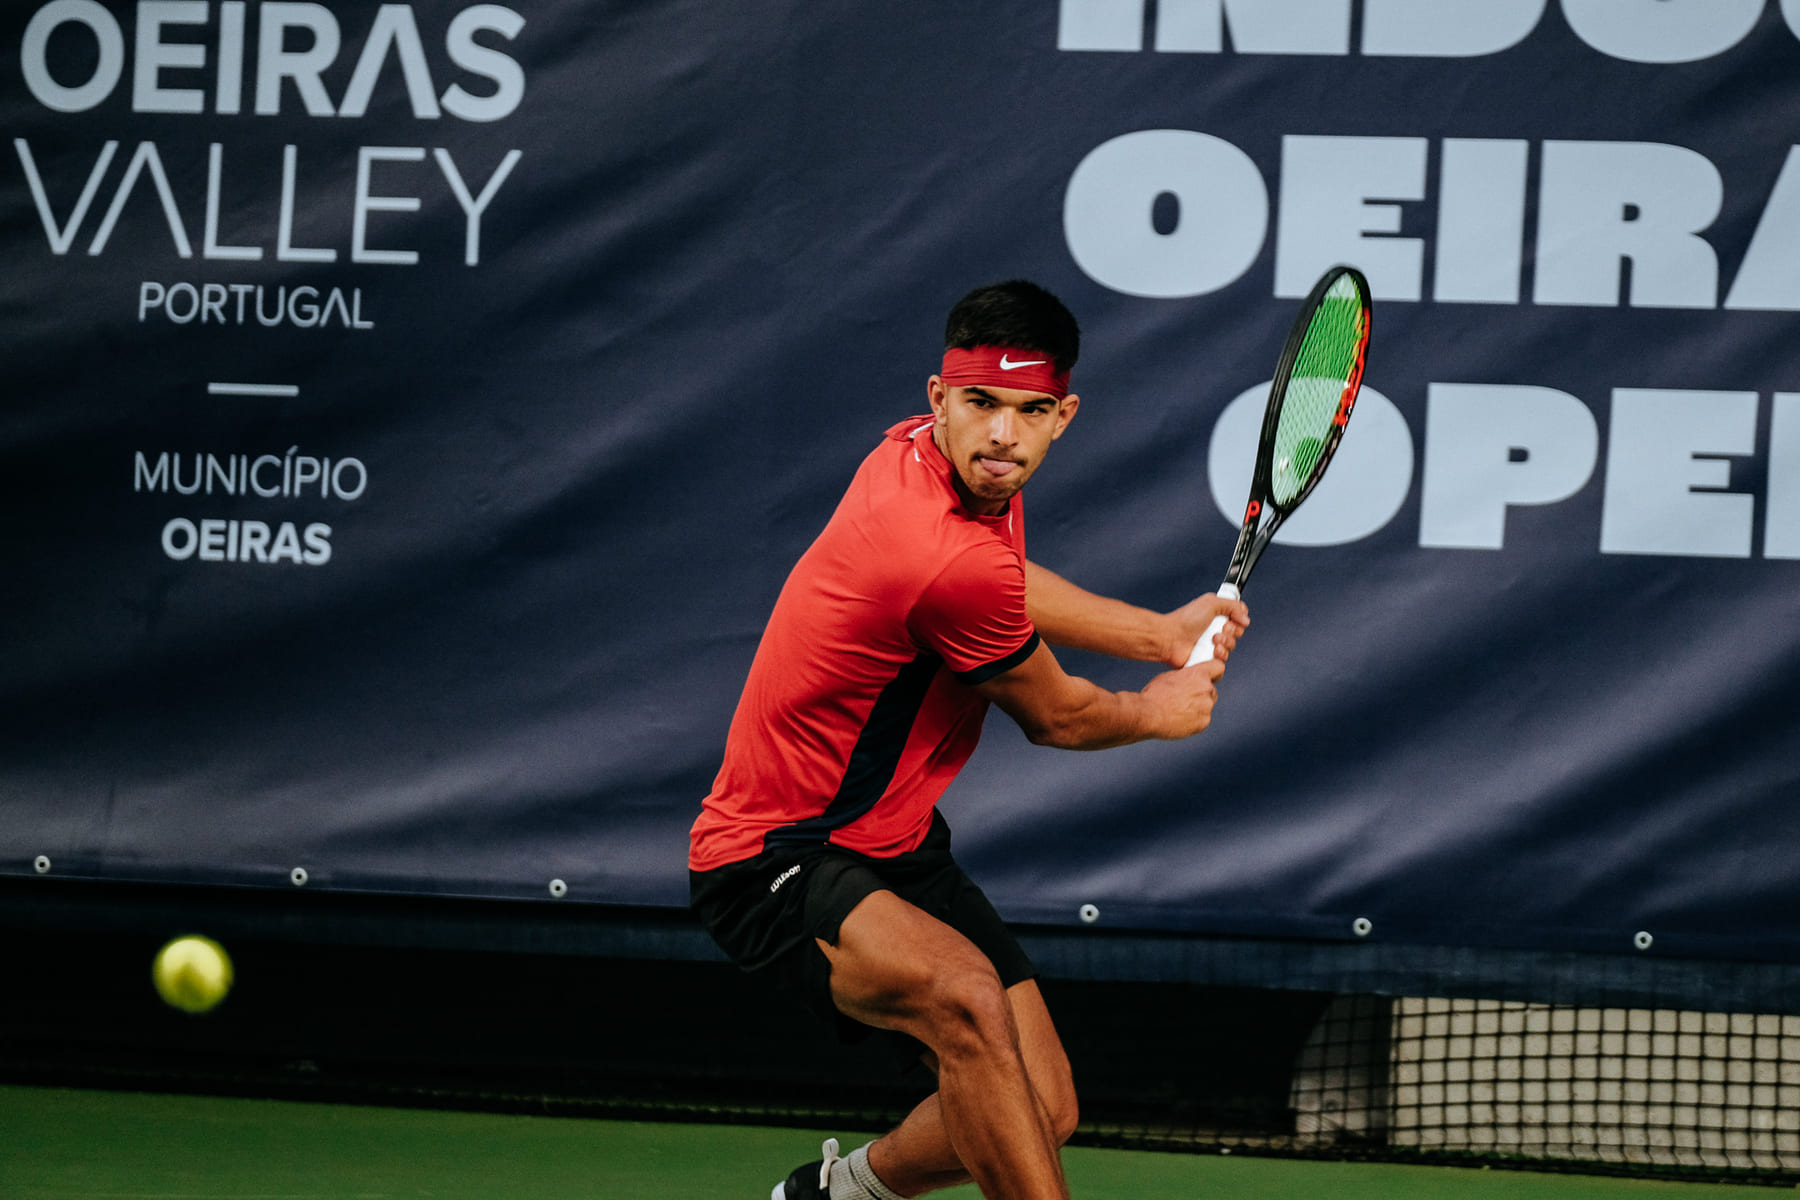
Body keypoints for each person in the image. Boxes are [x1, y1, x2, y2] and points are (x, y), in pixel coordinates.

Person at [688, 280, 1249, 1200]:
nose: (1002, 435)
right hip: (776, 853)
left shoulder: (924, 459)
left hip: (895, 842)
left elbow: (1001, 576)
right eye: (982, 403)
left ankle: (833, 1197)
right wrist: (1158, 709)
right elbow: (1059, 716)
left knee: (1042, 1109)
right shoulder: (934, 547)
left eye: (1030, 412)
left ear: (1064, 416)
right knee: (967, 999)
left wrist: (1156, 634)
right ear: (940, 396)